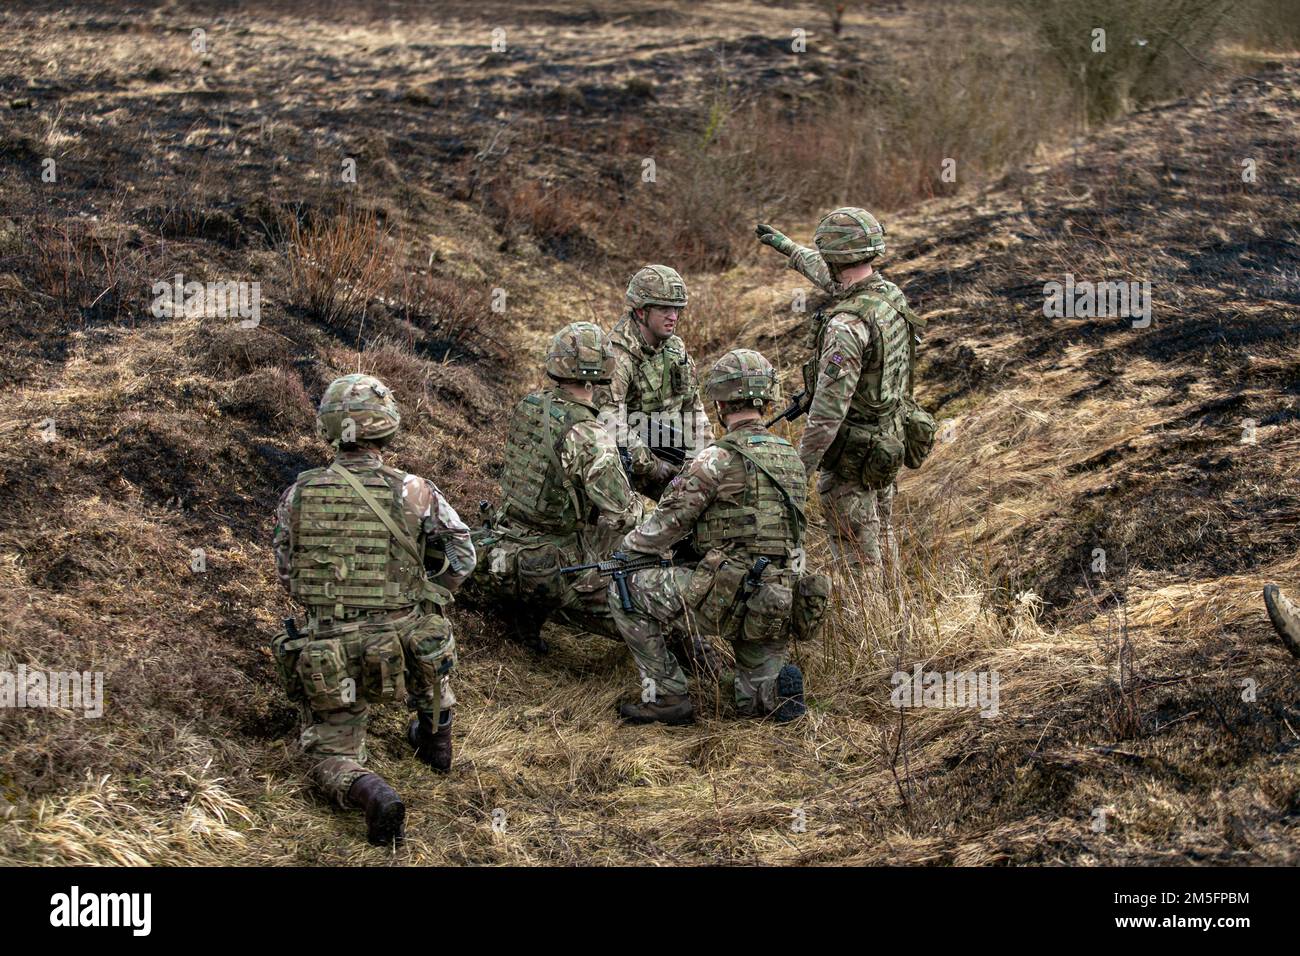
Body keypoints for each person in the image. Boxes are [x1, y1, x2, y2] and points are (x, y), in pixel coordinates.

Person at [271, 374, 474, 845]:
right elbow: (464, 557)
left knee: (328, 755)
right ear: (387, 428)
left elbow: (287, 571)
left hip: (332, 648)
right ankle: (436, 741)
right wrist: (431, 593)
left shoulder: (299, 494)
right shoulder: (416, 491)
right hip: (406, 639)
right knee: (431, 633)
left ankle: (374, 792)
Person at [609, 349, 810, 726]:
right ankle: (772, 692)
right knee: (753, 705)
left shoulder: (714, 459)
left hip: (726, 596)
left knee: (626, 587)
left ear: (719, 402)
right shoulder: (791, 458)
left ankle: (668, 695)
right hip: (776, 598)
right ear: (767, 400)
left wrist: (624, 553)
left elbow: (663, 528)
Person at [756, 208, 936, 575]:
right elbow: (833, 279)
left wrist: (798, 471)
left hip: (851, 459)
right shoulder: (888, 297)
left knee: (858, 561)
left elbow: (826, 413)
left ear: (834, 256)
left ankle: (868, 628)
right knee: (883, 540)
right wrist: (790, 249)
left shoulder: (846, 326)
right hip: (886, 445)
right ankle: (897, 619)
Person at [468, 323, 644, 650]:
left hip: (502, 541)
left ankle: (521, 618)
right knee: (650, 600)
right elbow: (624, 516)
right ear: (602, 370)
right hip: (553, 564)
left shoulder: (529, 405)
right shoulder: (589, 435)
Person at [596, 264, 714, 500]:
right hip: (626, 458)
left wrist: (705, 458)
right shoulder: (617, 356)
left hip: (669, 448)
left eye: (677, 309)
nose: (673, 317)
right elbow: (608, 423)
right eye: (664, 309)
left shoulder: (675, 348)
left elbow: (693, 407)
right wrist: (654, 467)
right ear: (641, 311)